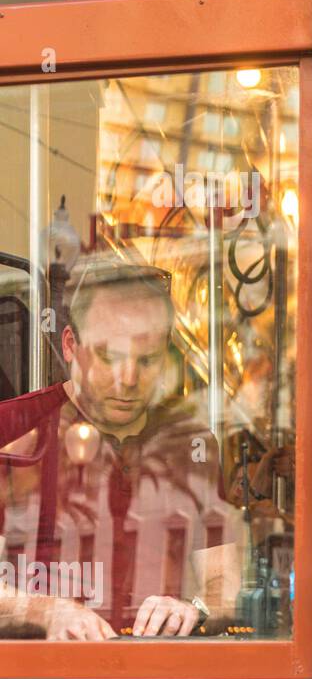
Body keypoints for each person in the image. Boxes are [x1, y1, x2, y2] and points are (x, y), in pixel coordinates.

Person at [0, 259, 244, 640]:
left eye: (147, 360)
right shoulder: (11, 429)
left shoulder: (194, 446)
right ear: (70, 346)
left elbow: (222, 582)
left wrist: (196, 609)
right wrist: (48, 611)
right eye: (109, 357)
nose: (128, 379)